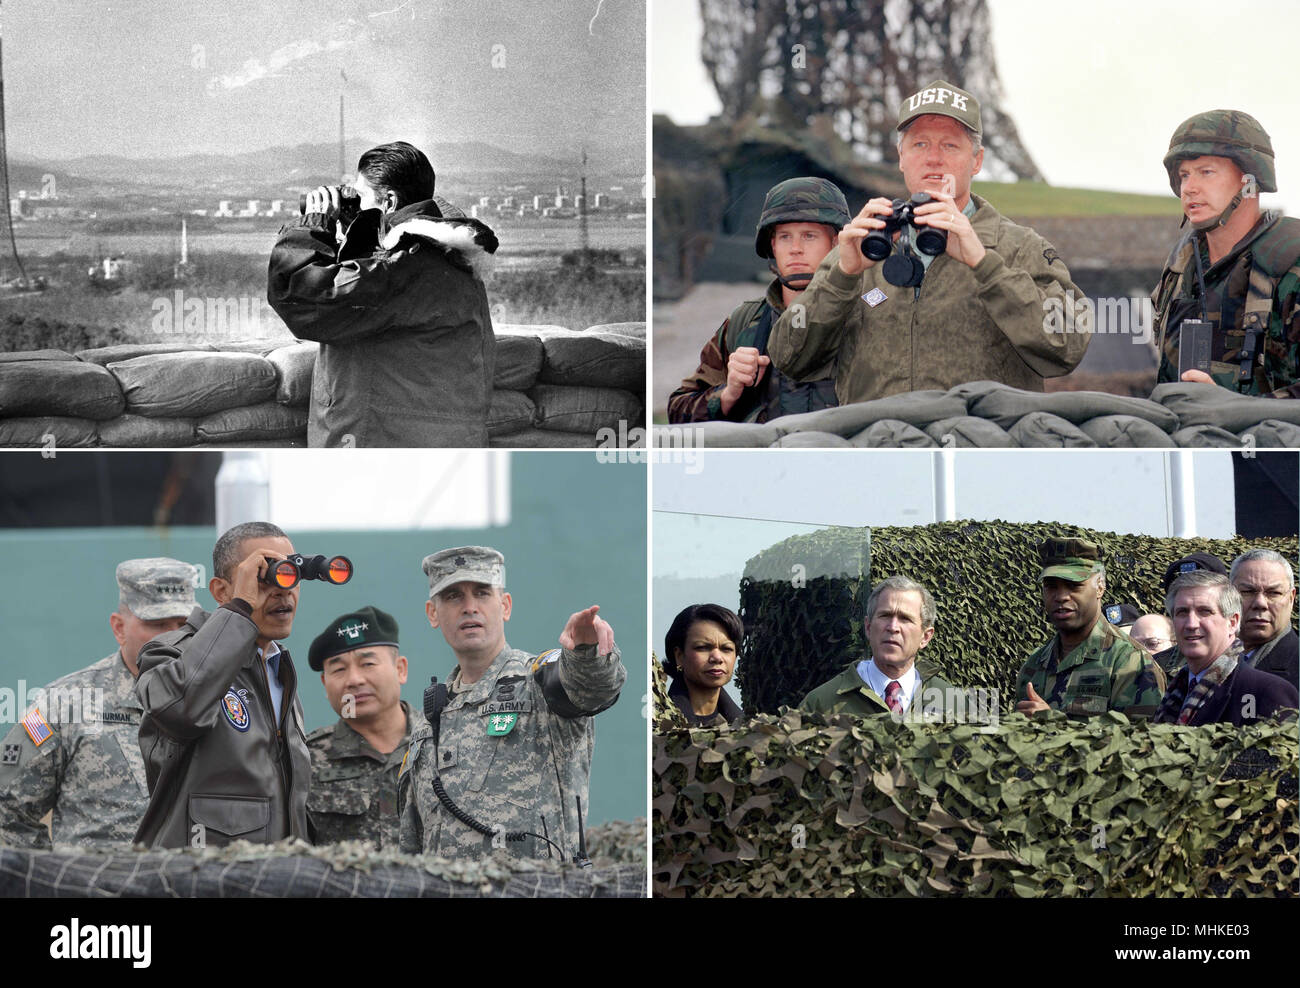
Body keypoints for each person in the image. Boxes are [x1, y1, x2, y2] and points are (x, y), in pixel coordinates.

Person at [768, 80, 1089, 404]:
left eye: (950, 146)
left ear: (976, 161)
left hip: (982, 448)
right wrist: (842, 277)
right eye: (919, 144)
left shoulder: (1020, 248)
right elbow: (789, 357)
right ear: (901, 157)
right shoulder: (860, 246)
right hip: (878, 448)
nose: (933, 158)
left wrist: (986, 266)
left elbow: (1066, 344)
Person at [267, 141, 501, 447]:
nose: (355, 205)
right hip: (430, 438)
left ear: (389, 200)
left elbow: (302, 295)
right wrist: (360, 232)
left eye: (361, 196)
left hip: (383, 440)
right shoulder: (450, 253)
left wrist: (313, 225)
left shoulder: (405, 263)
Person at [398, 547, 626, 861]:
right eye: (453, 596)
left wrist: (586, 652)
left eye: (481, 593)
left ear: (504, 606)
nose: (469, 608)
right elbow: (413, 845)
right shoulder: (429, 721)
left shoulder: (541, 683)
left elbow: (591, 687)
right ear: (432, 613)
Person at [133, 522, 314, 849]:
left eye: (291, 574)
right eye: (265, 575)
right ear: (220, 591)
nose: (283, 589)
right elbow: (182, 708)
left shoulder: (277, 668)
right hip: (197, 877)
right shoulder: (170, 653)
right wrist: (241, 609)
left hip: (275, 878)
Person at [0, 558, 196, 848]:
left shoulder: (223, 702)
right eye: (156, 624)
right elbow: (8, 808)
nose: (174, 637)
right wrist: (53, 879)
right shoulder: (64, 703)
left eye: (184, 624)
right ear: (119, 628)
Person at [667, 177, 850, 422]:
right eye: (785, 237)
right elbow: (678, 411)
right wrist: (729, 393)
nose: (795, 248)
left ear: (836, 242)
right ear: (772, 245)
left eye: (809, 236)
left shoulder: (865, 313)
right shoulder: (746, 323)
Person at [1151, 110, 1300, 396]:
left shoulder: (1290, 264)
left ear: (1250, 182)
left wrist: (1230, 408)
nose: (1190, 188)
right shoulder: (1182, 268)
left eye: (1206, 172)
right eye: (1184, 175)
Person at [305, 605, 426, 849]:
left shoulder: (440, 743)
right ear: (324, 683)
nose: (354, 680)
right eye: (339, 669)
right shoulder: (305, 760)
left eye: (368, 664)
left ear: (400, 669)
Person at [1015, 538, 1166, 719]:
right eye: (1051, 586)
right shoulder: (1035, 665)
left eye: (1074, 586)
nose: (1061, 596)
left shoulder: (1130, 662)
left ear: (1100, 588)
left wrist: (1051, 722)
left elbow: (1141, 742)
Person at [1153, 572, 1297, 725]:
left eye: (1205, 612)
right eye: (1182, 612)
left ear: (1233, 623)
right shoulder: (1172, 690)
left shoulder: (1268, 693)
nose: (1191, 624)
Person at [801, 576, 956, 718]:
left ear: (925, 637)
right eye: (885, 616)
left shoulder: (952, 703)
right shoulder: (820, 705)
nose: (893, 627)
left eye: (905, 619)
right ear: (868, 627)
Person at [661, 603, 744, 726]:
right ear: (679, 656)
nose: (717, 658)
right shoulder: (658, 723)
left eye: (726, 649)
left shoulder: (752, 729)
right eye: (703, 647)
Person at [1229, 548, 1297, 690]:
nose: (1260, 603)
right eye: (1247, 592)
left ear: (1291, 598)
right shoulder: (1199, 664)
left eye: (1274, 593)